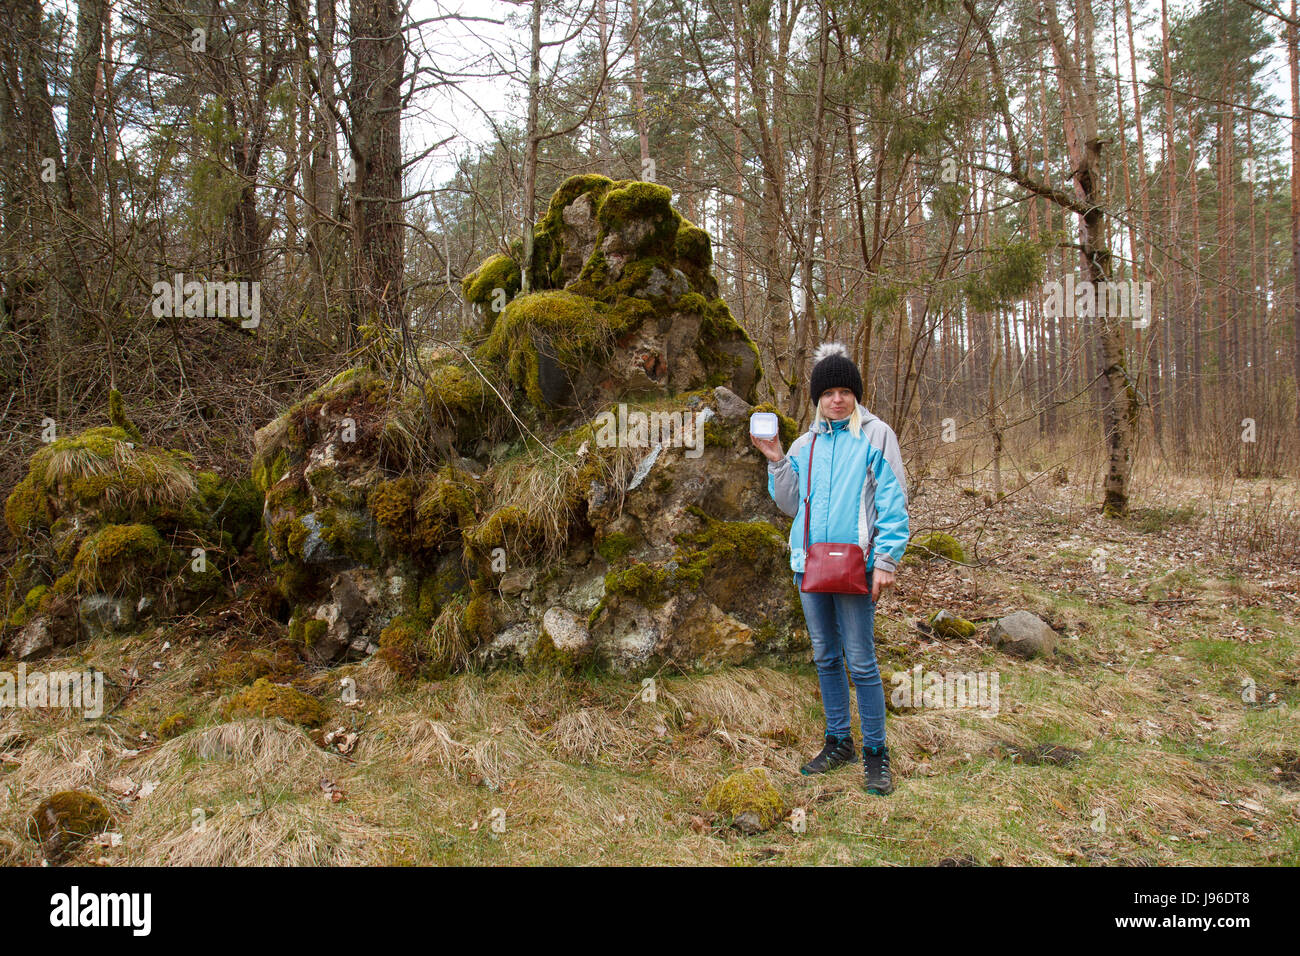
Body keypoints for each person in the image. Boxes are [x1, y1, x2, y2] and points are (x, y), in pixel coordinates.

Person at [750, 342, 909, 795]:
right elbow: (786, 504)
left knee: (860, 660)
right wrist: (776, 458)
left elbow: (893, 504)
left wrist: (887, 560)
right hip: (808, 567)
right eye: (828, 392)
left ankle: (876, 753)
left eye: (845, 390)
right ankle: (838, 741)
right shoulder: (805, 443)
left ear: (856, 394)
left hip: (856, 567)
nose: (836, 399)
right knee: (825, 656)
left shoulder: (877, 437)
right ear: (817, 398)